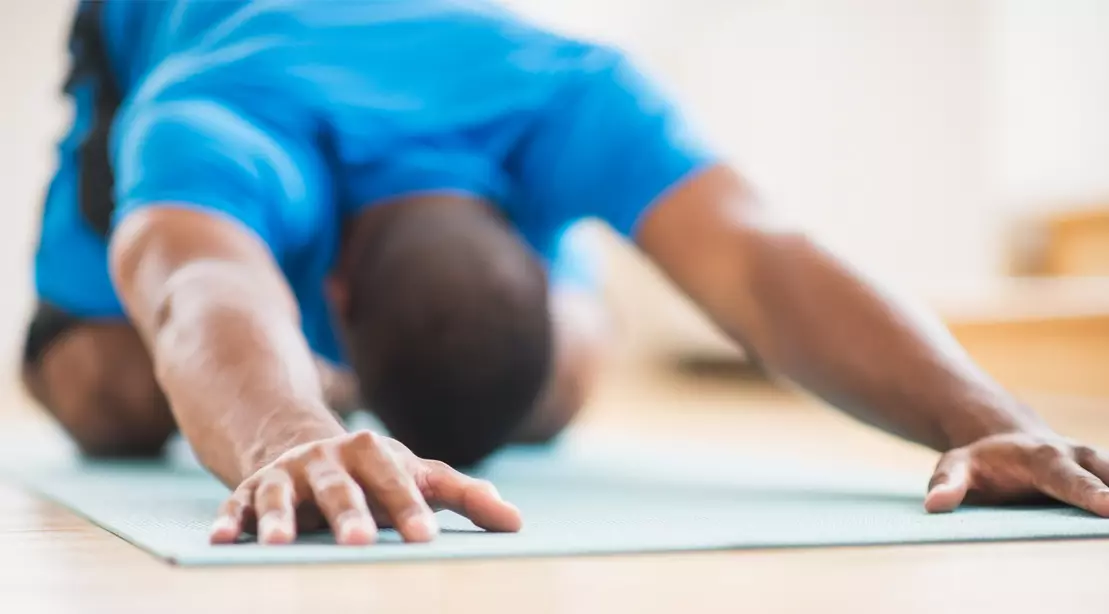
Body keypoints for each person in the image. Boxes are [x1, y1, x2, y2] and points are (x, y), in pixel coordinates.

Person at [24, 0, 1109, 547]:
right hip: (169, 29)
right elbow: (194, 288)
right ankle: (327, 391)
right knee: (107, 394)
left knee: (543, 382)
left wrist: (983, 415)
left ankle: (355, 389)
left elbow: (760, 258)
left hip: (451, 107)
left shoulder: (568, 88)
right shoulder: (201, 111)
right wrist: (287, 436)